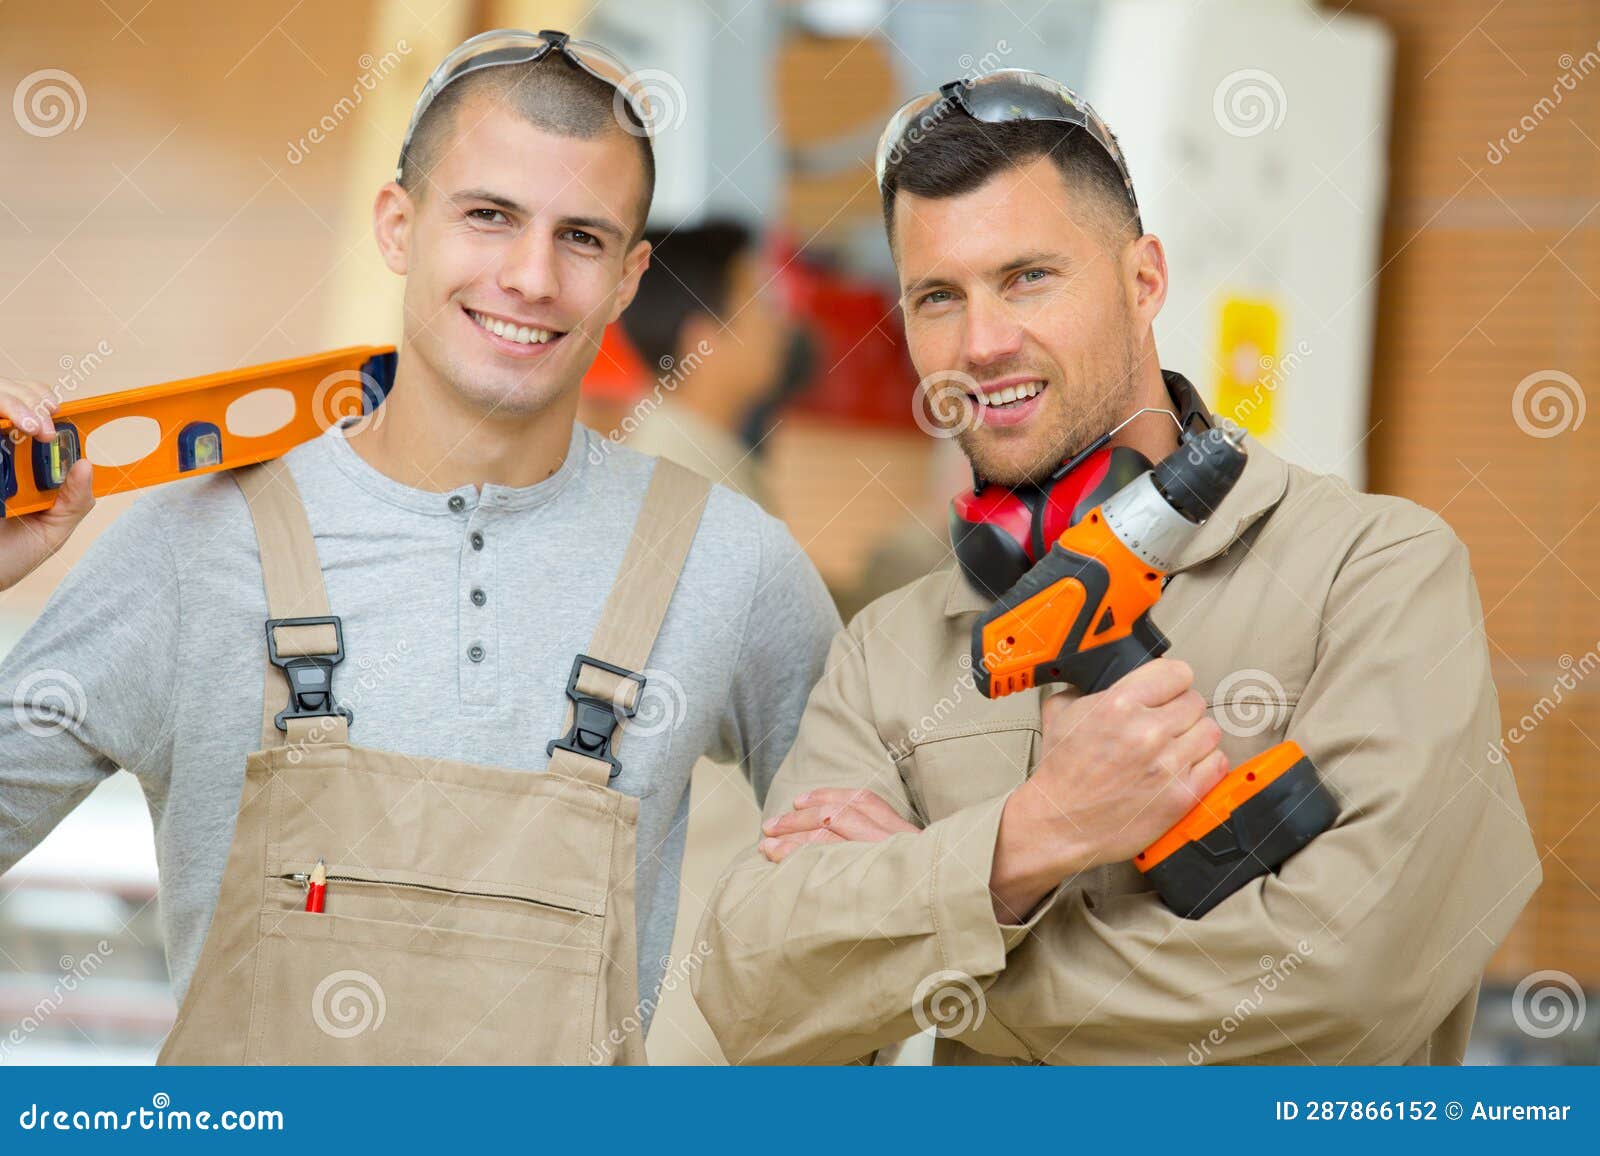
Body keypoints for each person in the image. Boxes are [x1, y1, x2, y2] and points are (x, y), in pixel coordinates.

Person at [0, 29, 838, 1064]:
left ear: (628, 278)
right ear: (398, 223)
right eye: (488, 216)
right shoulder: (195, 546)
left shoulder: (730, 565)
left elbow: (864, 911)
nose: (530, 277)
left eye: (581, 237)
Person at [692, 70, 1538, 1065]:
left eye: (1028, 278)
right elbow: (749, 988)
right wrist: (1031, 835)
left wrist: (933, 954)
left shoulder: (1375, 572)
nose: (982, 343)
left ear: (1143, 281)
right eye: (936, 296)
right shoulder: (893, 648)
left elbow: (1348, 984)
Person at [617, 220, 795, 511]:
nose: (779, 323)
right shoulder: (680, 486)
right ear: (703, 341)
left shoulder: (694, 454)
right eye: (759, 301)